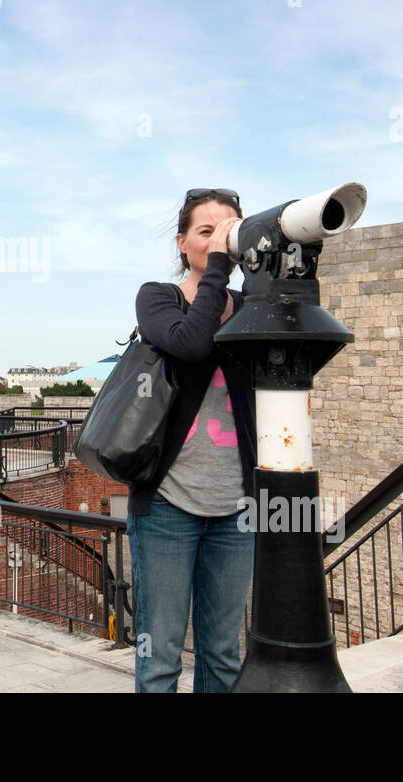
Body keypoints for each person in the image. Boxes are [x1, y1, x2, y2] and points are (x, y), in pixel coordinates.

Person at [127, 187, 258, 692]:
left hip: (235, 507)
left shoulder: (251, 307)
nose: (218, 239)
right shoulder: (158, 297)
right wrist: (220, 269)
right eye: (207, 231)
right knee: (160, 658)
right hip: (167, 504)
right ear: (183, 243)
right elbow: (193, 342)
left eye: (229, 229)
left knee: (224, 654)